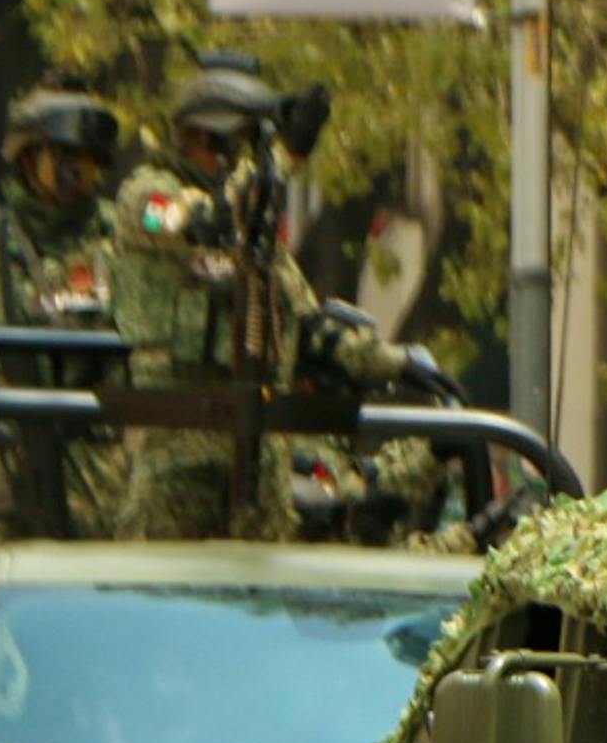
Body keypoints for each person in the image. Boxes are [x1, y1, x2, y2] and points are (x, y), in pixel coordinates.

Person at [104, 64, 400, 540]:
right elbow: (199, 221)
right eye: (241, 145)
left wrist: (391, 361)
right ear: (203, 137)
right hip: (177, 452)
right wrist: (282, 158)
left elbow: (303, 322)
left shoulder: (257, 238)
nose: (247, 160)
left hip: (260, 455)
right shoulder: (148, 196)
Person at [0, 89, 121, 328]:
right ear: (27, 160)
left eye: (89, 158)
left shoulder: (117, 230)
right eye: (65, 154)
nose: (79, 170)